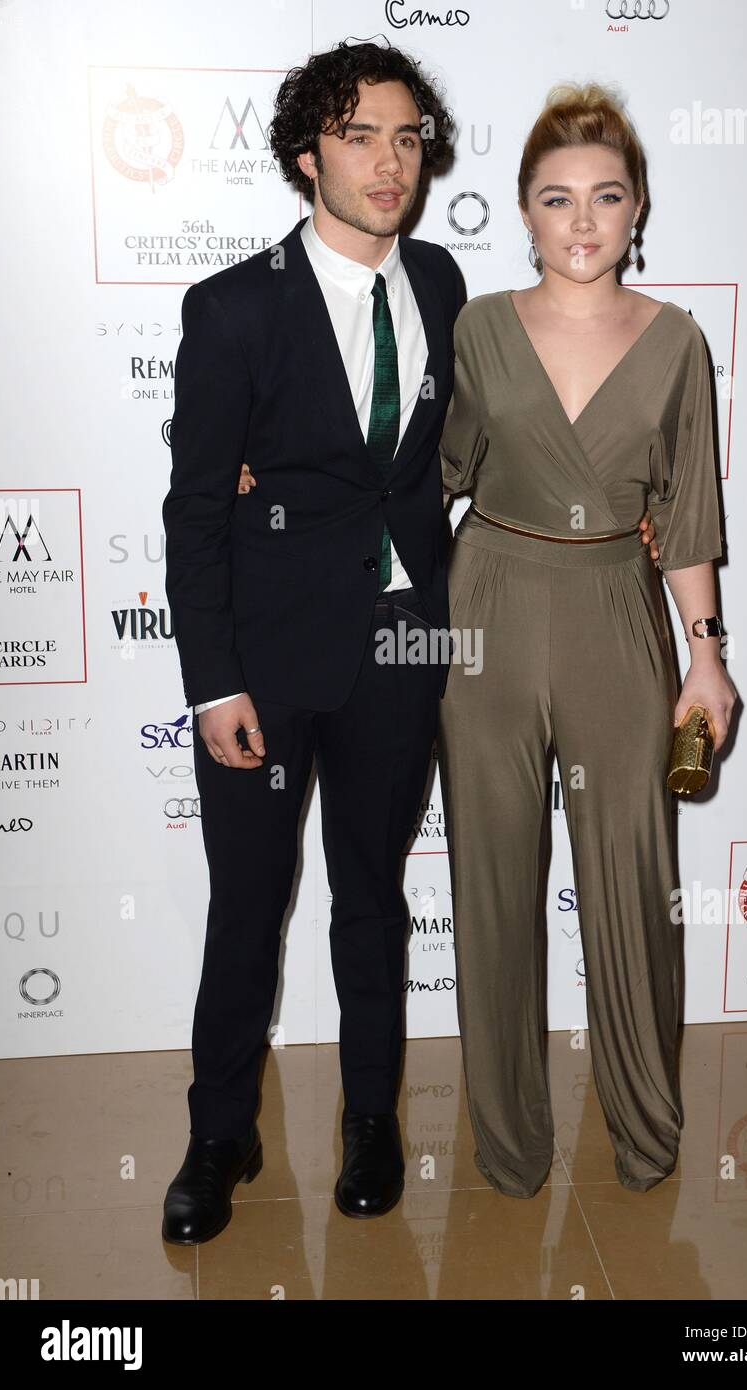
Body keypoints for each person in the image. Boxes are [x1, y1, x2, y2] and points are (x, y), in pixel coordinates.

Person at [159, 41, 464, 1240]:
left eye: (405, 137)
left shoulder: (440, 286)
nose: (388, 163)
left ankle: (372, 1119)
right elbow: (193, 510)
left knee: (371, 899)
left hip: (398, 647)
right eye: (357, 137)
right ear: (307, 157)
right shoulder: (234, 308)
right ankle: (218, 1131)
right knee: (247, 903)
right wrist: (212, 681)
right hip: (267, 663)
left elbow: (452, 457)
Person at [435, 81, 738, 1196]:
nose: (581, 222)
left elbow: (691, 516)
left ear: (638, 206)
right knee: (494, 888)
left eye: (605, 196)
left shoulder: (677, 343)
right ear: (523, 210)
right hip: (489, 610)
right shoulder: (476, 328)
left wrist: (703, 651)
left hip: (619, 607)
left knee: (633, 887)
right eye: (557, 198)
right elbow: (434, 475)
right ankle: (510, 1147)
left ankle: (647, 1133)